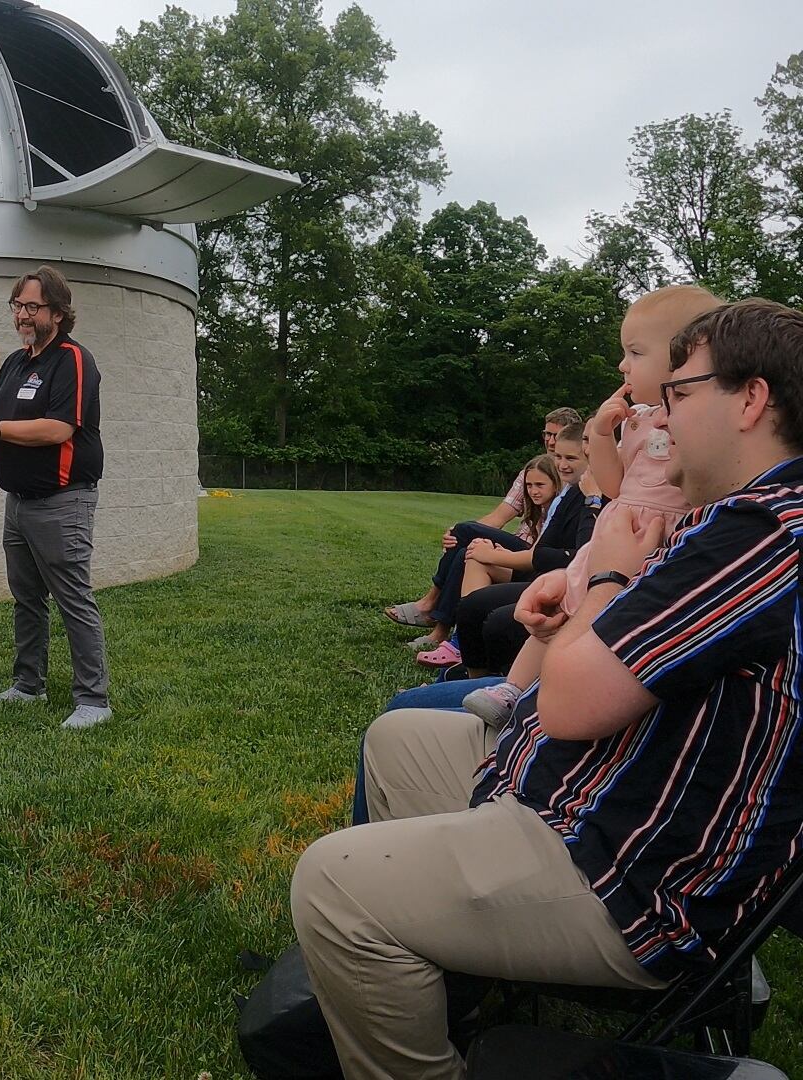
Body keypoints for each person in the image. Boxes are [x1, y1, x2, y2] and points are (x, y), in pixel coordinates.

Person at [292, 298, 803, 1080]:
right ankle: (445, 971)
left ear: (752, 399)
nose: (662, 414)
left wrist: (602, 578)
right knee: (401, 742)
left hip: (630, 878)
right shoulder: (734, 520)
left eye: (682, 392)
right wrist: (584, 588)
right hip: (589, 799)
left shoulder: (766, 537)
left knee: (333, 884)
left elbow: (568, 704)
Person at [463, 284, 722, 725]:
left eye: (635, 353)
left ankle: (557, 696)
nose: (623, 365)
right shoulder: (636, 422)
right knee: (563, 608)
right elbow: (612, 486)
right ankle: (512, 688)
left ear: (684, 357)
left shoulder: (701, 424)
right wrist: (602, 437)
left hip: (660, 539)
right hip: (619, 529)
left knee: (600, 623)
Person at [0, 266, 111, 729]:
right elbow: (5, 415)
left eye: (33, 307)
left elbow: (59, 427)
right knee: (26, 598)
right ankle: (29, 685)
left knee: (73, 598)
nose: (23, 315)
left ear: (59, 312)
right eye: (18, 306)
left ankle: (94, 701)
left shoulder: (73, 360)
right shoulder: (16, 362)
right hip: (18, 503)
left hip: (63, 501)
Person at [384, 407, 582, 636]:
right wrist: (462, 534)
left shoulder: (570, 480)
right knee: (466, 546)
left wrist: (476, 539)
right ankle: (442, 632)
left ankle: (431, 606)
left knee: (468, 537)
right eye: (546, 434)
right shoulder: (534, 468)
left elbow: (546, 549)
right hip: (521, 546)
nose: (550, 441)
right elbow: (499, 516)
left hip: (532, 553)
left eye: (556, 436)